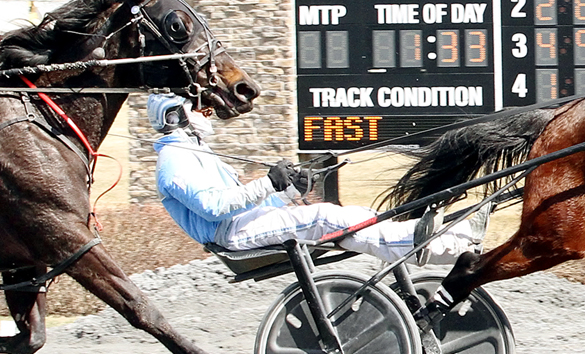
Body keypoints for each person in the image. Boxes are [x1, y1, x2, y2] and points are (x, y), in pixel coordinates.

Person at [146, 93, 483, 264]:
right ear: (175, 116)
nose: (207, 114)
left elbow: (249, 203)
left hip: (244, 223)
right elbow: (213, 206)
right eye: (198, 109)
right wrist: (269, 183)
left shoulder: (193, 149)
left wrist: (289, 191)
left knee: (344, 213)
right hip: (230, 233)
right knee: (326, 218)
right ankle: (427, 245)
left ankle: (448, 238)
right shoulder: (174, 160)